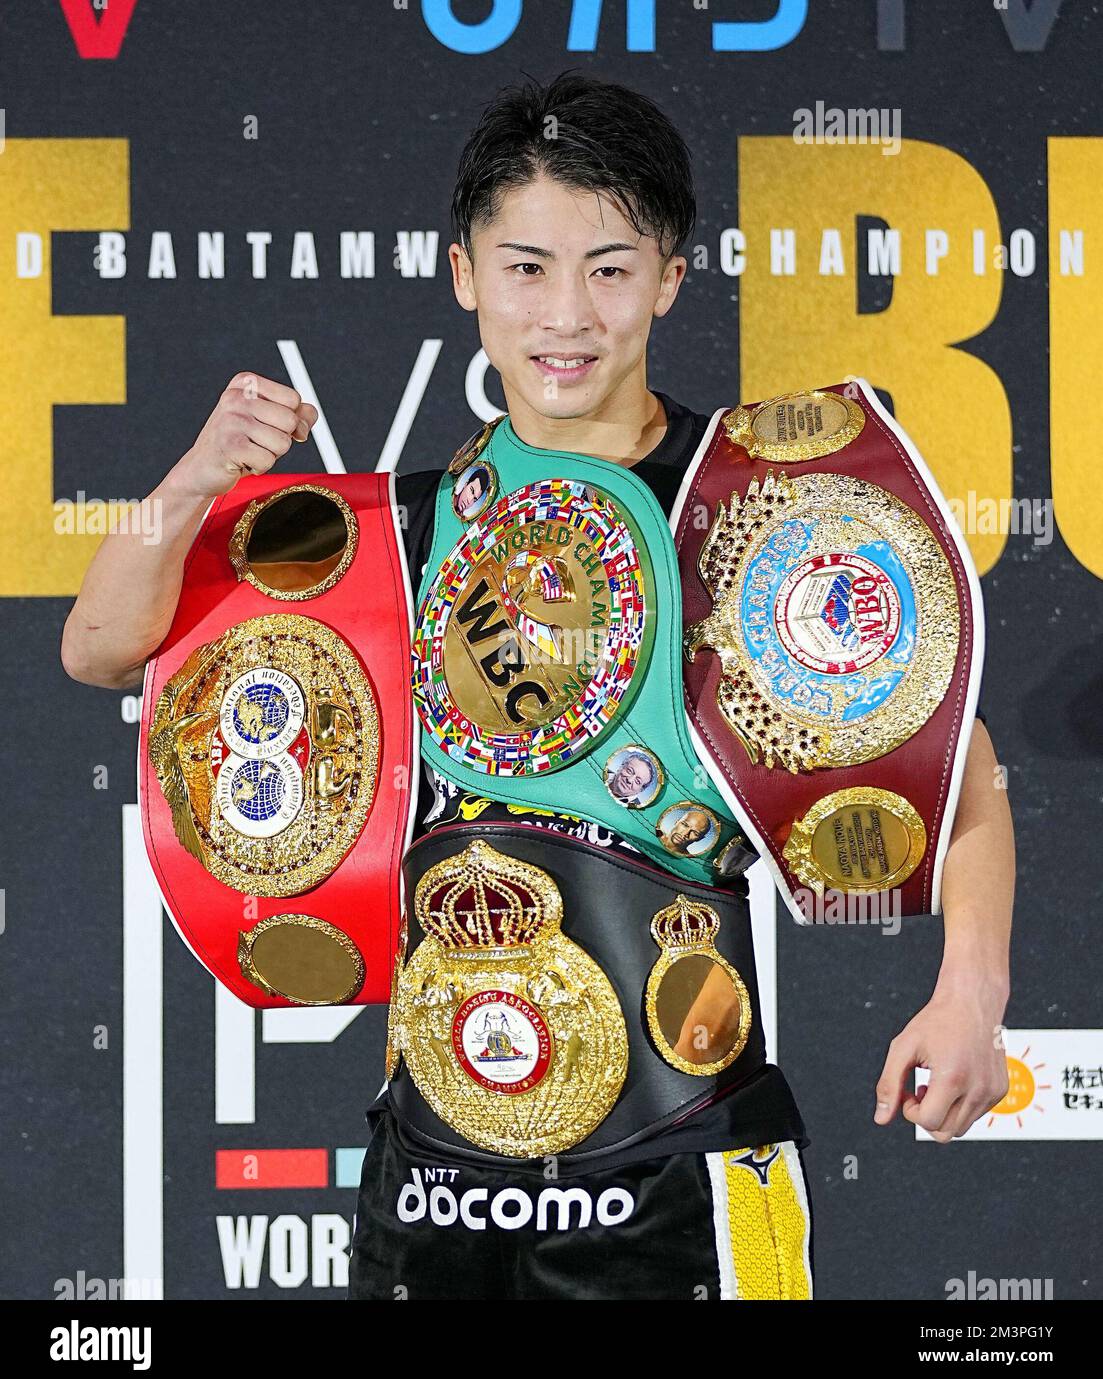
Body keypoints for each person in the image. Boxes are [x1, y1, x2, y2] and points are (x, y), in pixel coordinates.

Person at [61, 71, 1015, 1301]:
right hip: (427, 1180)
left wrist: (970, 990)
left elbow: (958, 764)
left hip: (686, 1169)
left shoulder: (747, 515)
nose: (565, 313)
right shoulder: (391, 533)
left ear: (670, 277)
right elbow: (98, 645)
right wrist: (191, 479)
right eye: (524, 268)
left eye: (609, 269)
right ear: (463, 272)